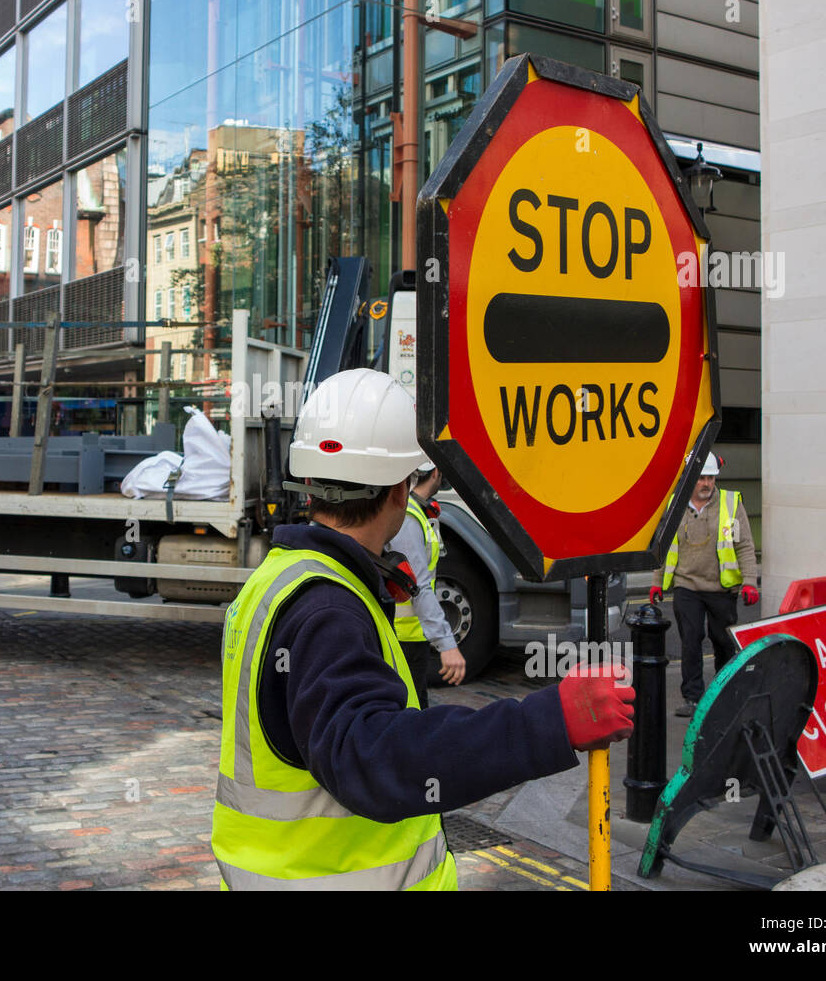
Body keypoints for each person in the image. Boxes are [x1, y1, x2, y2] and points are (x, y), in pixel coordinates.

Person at [211, 368, 635, 890]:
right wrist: (548, 721)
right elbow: (372, 756)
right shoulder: (327, 608)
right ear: (398, 489)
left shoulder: (282, 577)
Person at [650, 452, 759, 719]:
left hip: (721, 589)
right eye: (701, 478)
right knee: (690, 640)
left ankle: (723, 692)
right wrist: (656, 582)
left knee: (723, 642)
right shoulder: (675, 505)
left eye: (710, 478)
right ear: (690, 479)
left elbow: (744, 545)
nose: (706, 483)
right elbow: (663, 546)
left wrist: (749, 581)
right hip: (687, 587)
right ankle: (692, 697)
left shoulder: (730, 504)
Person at [387, 462, 465, 705]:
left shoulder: (412, 513)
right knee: (411, 710)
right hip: (404, 639)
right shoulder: (409, 518)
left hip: (409, 635)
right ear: (436, 473)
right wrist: (447, 644)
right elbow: (418, 585)